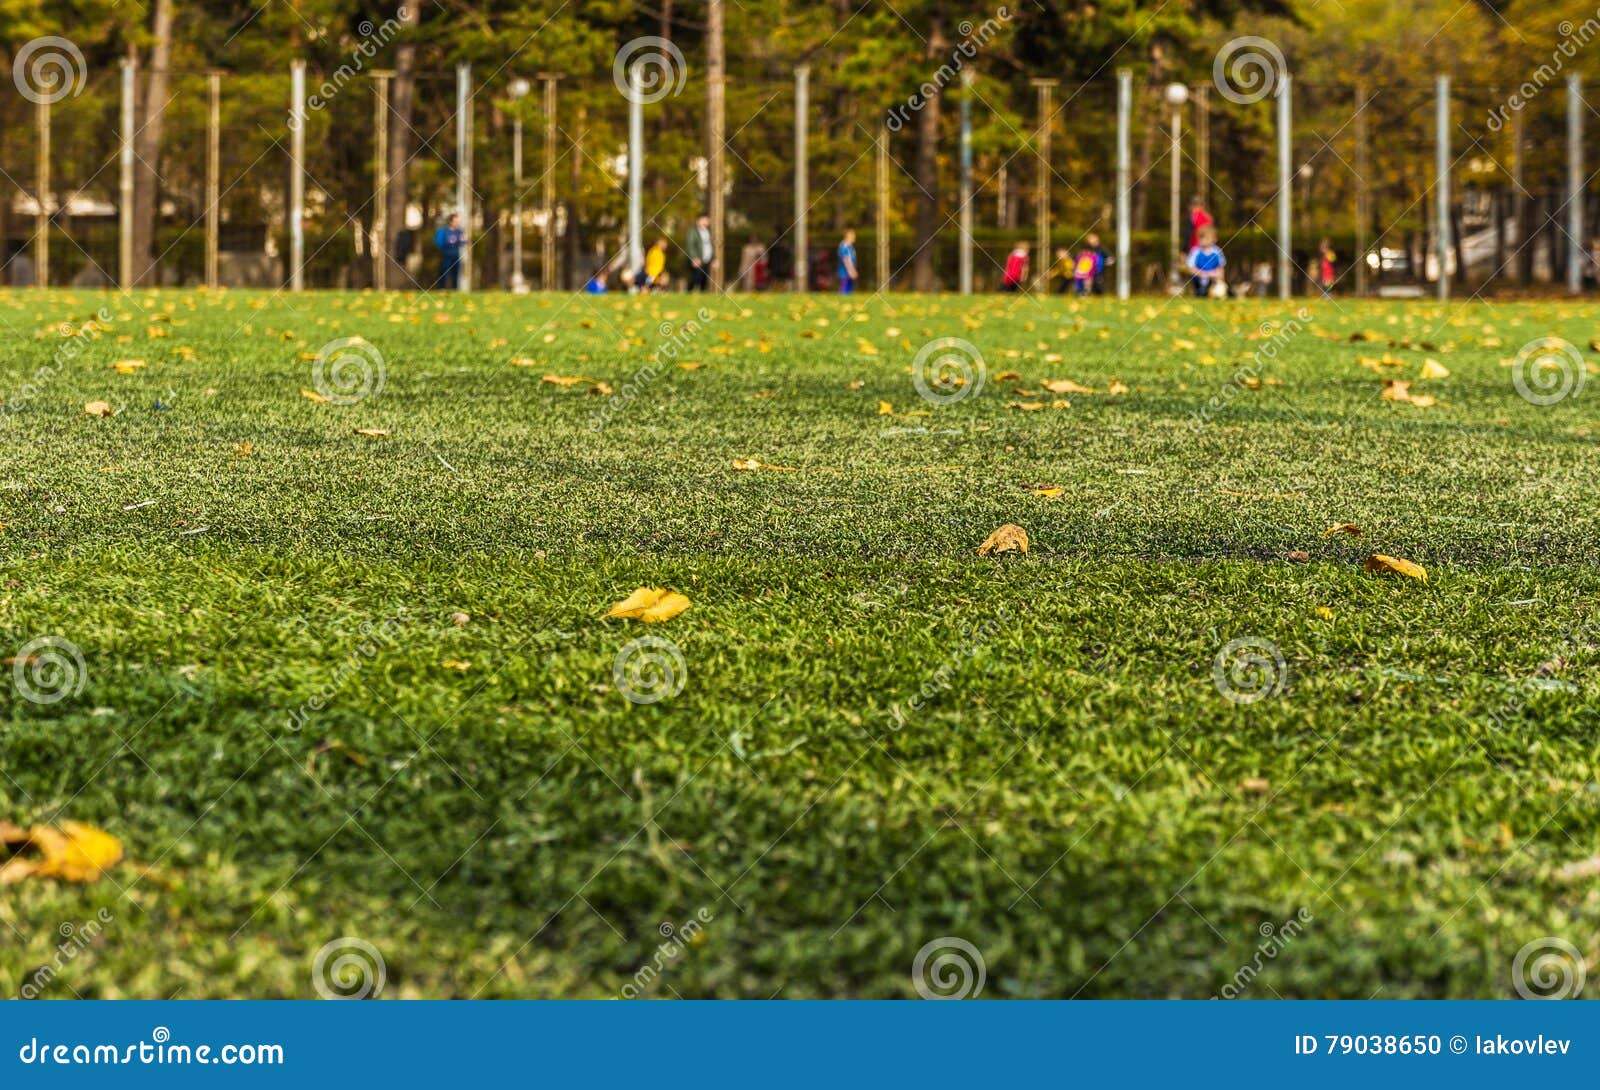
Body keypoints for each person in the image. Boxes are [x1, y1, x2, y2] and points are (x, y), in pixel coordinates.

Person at [1185, 226, 1226, 297]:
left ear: (1214, 239)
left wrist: (1220, 277)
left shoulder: (1217, 251)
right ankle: (1201, 292)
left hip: (1213, 277)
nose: (1202, 240)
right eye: (1200, 238)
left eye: (1205, 238)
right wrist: (1201, 274)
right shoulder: (1195, 251)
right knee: (1201, 293)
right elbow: (1190, 267)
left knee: (1224, 289)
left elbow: (1221, 266)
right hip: (1199, 277)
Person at [434, 212, 463, 290]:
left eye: (458, 221)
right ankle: (442, 289)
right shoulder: (443, 231)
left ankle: (455, 290)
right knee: (444, 273)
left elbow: (462, 242)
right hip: (446, 256)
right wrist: (447, 245)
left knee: (456, 274)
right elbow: (439, 242)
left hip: (456, 256)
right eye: (455, 221)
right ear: (450, 221)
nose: (457, 223)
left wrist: (463, 240)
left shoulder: (459, 232)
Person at [686, 212, 713, 291]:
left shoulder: (708, 232)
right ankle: (688, 295)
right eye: (703, 220)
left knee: (704, 281)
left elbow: (710, 246)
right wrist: (694, 258)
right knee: (694, 279)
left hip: (706, 260)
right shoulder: (693, 231)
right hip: (697, 260)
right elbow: (690, 245)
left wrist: (713, 258)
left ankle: (702, 298)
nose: (705, 222)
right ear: (698, 221)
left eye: (707, 220)